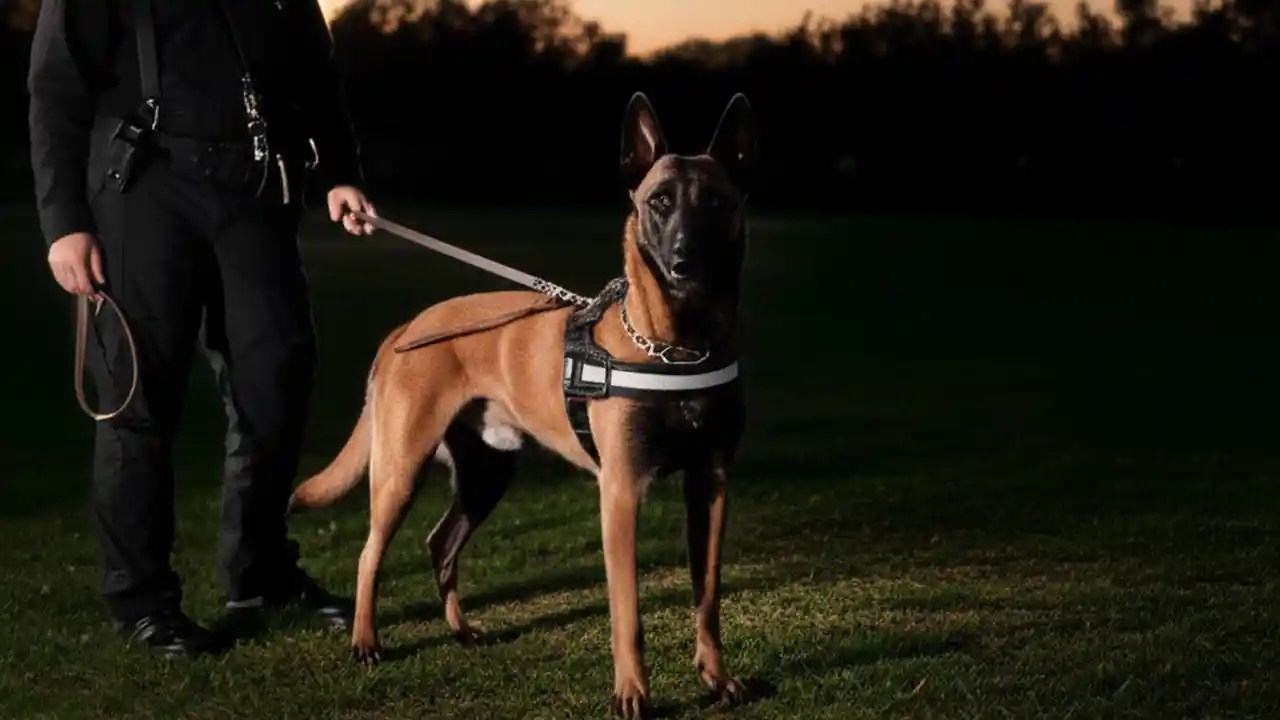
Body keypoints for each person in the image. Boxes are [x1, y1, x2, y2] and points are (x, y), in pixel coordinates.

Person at [28, 0, 377, 658]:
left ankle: (260, 577)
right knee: (138, 399)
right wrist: (64, 221)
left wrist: (339, 173)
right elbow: (54, 84)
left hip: (252, 192)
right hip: (142, 189)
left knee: (277, 376)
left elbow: (315, 73)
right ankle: (141, 600)